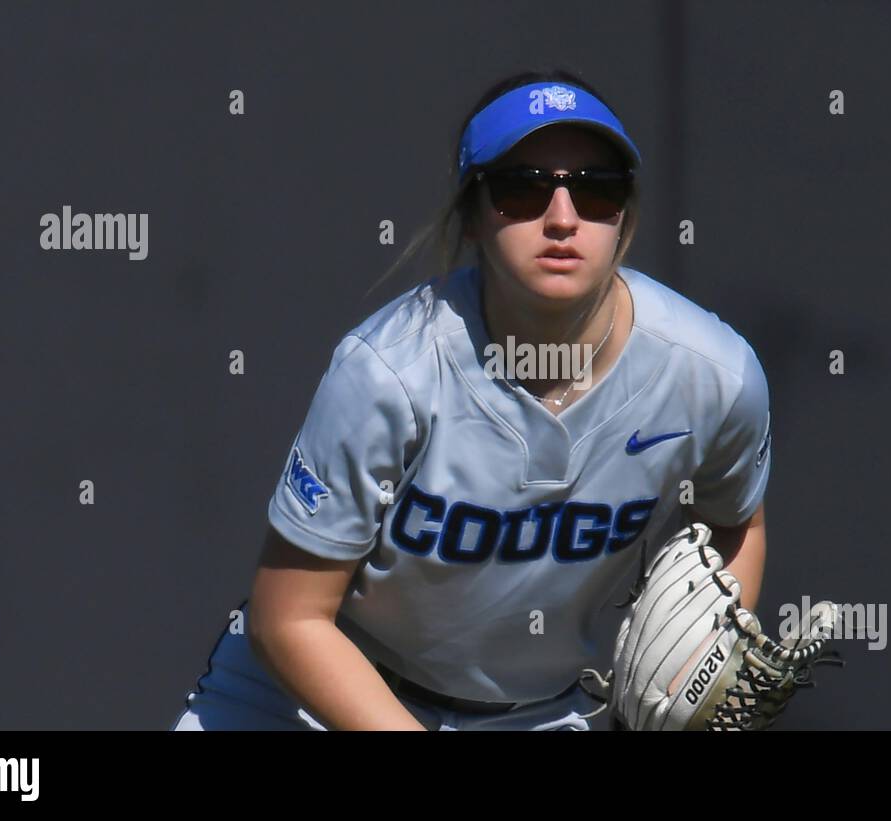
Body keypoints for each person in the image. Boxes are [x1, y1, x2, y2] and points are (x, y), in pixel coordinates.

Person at [170, 69, 773, 731]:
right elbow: (288, 620)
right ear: (472, 215)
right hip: (312, 698)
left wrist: (704, 656)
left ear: (624, 215)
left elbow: (736, 518)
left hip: (538, 714)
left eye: (599, 188)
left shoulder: (713, 373)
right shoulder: (389, 372)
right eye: (522, 187)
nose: (564, 217)